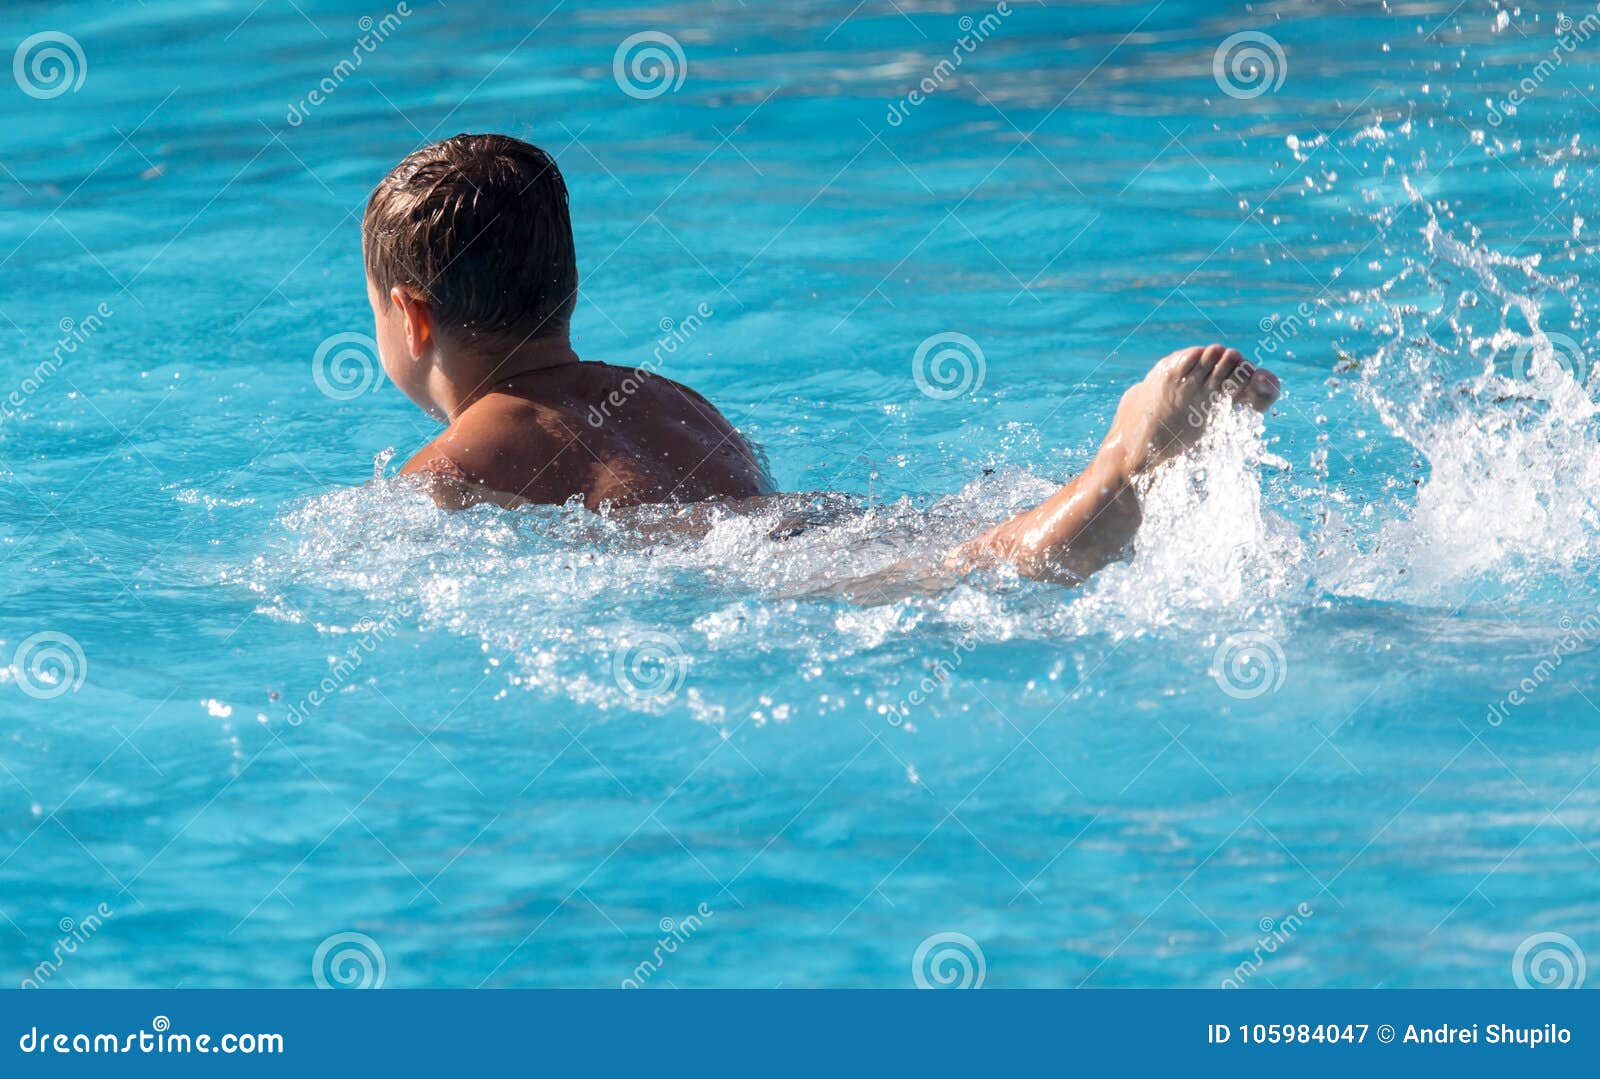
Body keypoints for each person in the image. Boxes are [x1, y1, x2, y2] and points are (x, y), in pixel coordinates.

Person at [361, 133, 1279, 585]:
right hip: (799, 521)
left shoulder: (446, 469)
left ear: (412, 316)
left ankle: (1122, 462)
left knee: (982, 570)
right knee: (951, 547)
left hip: (756, 570)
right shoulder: (670, 397)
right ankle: (1121, 473)